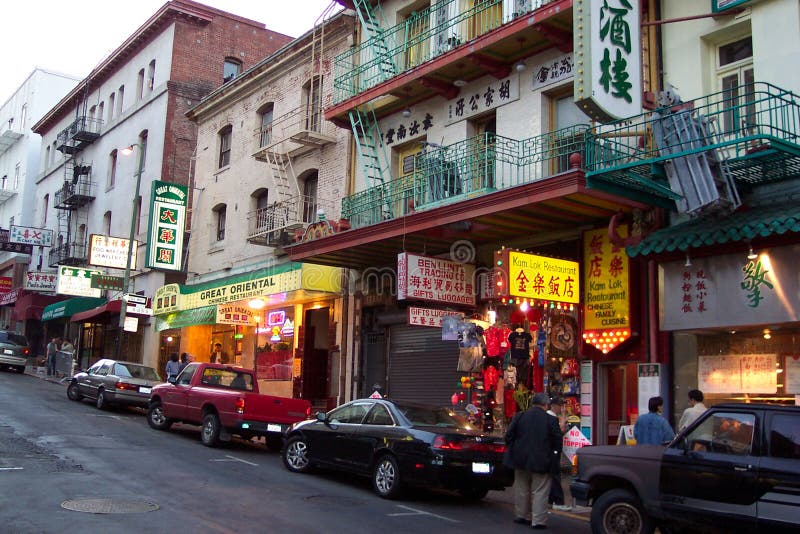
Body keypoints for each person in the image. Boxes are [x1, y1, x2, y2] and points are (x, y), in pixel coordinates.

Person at [504, 392, 562, 529]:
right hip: (542, 460)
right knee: (540, 491)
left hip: (520, 459)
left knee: (521, 488)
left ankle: (521, 515)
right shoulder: (551, 420)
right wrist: (554, 456)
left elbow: (508, 436)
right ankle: (538, 520)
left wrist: (515, 449)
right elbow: (557, 442)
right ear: (546, 404)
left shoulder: (520, 416)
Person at [547, 397, 571, 512]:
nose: (561, 408)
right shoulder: (551, 418)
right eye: (559, 405)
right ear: (553, 406)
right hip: (552, 452)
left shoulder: (551, 417)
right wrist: (562, 423)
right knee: (555, 476)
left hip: (551, 451)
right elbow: (557, 434)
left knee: (552, 476)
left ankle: (551, 500)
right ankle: (557, 501)